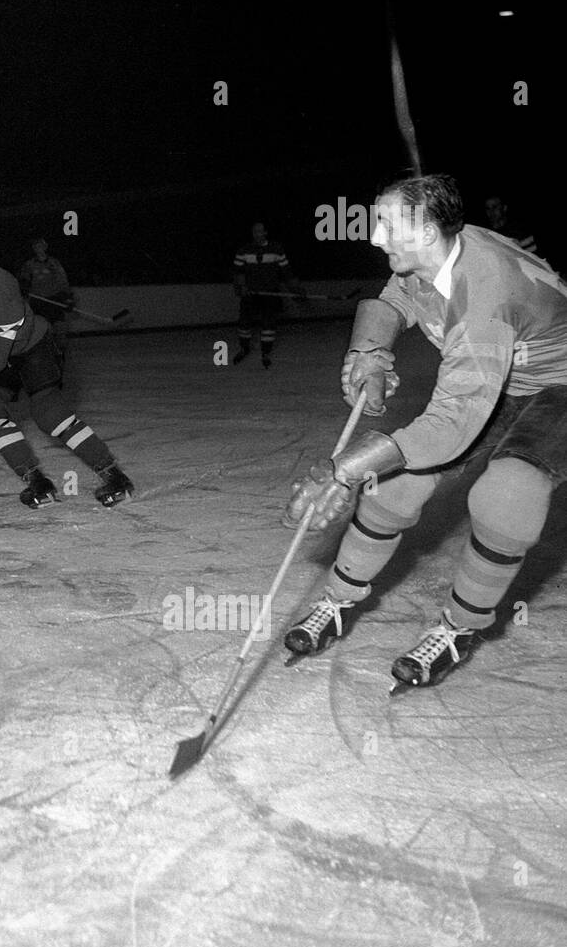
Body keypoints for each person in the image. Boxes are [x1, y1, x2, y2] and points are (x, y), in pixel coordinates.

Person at [283, 174, 567, 688]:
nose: (373, 238)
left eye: (387, 225)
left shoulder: (485, 294)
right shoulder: (435, 255)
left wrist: (347, 470)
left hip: (558, 388)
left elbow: (452, 423)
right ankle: (338, 601)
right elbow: (396, 299)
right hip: (501, 374)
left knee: (507, 496)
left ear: (430, 230)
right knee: (394, 490)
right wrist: (369, 350)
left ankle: (460, 628)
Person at [0, 229, 133, 508]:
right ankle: (38, 482)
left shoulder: (4, 289)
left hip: (33, 348)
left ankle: (114, 476)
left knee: (48, 413)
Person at [232, 221, 304, 368]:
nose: (257, 234)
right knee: (244, 324)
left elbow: (286, 272)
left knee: (268, 325)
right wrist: (242, 287)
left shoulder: (276, 249)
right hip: (250, 294)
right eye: (254, 232)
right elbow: (238, 272)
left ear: (265, 233)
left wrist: (296, 290)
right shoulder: (244, 250)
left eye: (260, 231)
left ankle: (266, 353)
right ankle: (244, 348)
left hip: (270, 293)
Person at [17, 237, 74, 360]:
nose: (39, 248)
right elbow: (23, 282)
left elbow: (63, 281)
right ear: (33, 249)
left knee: (60, 331)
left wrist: (68, 298)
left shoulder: (54, 263)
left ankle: (60, 354)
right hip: (38, 301)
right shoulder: (29, 265)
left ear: (45, 247)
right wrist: (24, 291)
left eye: (41, 246)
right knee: (40, 331)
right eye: (36, 246)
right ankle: (43, 357)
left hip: (54, 300)